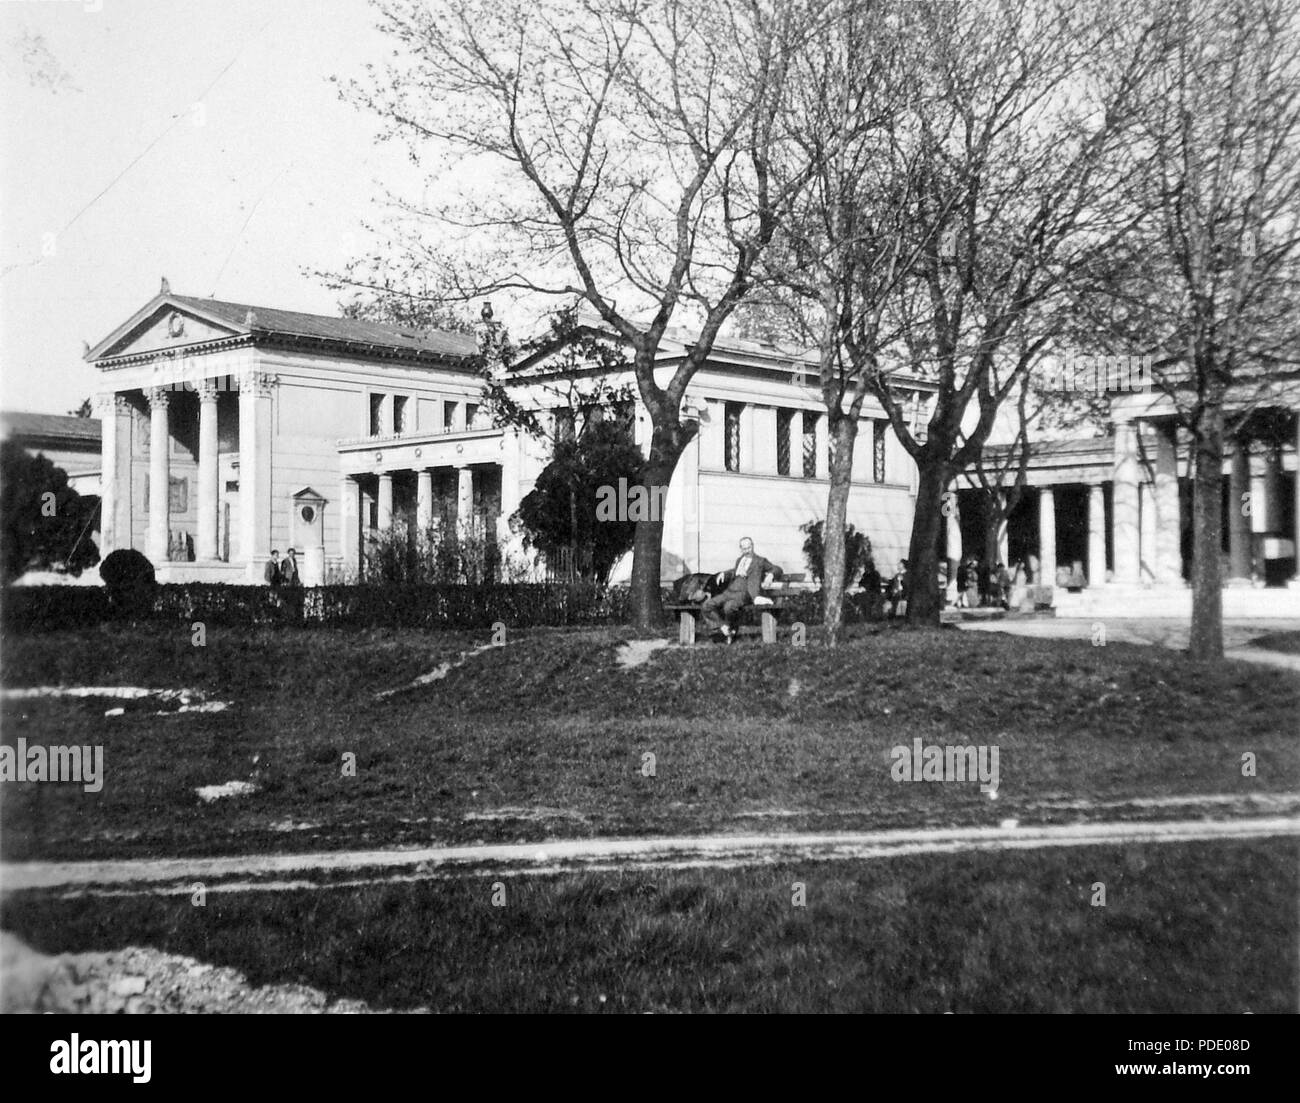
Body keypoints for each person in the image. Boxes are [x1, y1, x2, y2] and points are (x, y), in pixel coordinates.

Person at [700, 536, 782, 642]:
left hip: (744, 594)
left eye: (749, 547)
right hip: (729, 592)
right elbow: (734, 571)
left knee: (729, 607)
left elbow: (777, 569)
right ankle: (723, 627)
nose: (747, 551)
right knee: (706, 605)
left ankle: (731, 630)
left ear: (752, 546)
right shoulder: (739, 560)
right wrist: (724, 573)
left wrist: (771, 575)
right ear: (741, 549)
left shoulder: (760, 561)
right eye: (744, 549)